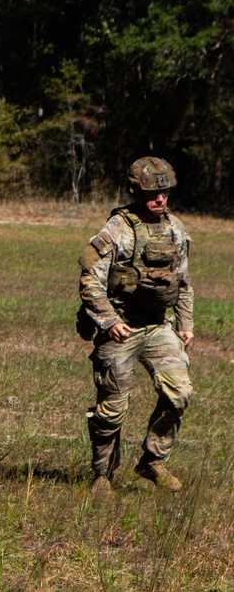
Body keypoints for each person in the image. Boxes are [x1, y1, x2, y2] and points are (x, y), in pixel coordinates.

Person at [78, 156, 194, 494]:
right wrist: (110, 321)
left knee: (180, 393)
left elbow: (182, 280)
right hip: (123, 327)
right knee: (111, 409)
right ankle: (102, 474)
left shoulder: (176, 228)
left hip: (159, 326)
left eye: (166, 193)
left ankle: (152, 460)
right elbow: (90, 279)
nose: (161, 199)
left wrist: (185, 323)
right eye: (153, 193)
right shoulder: (117, 229)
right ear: (135, 192)